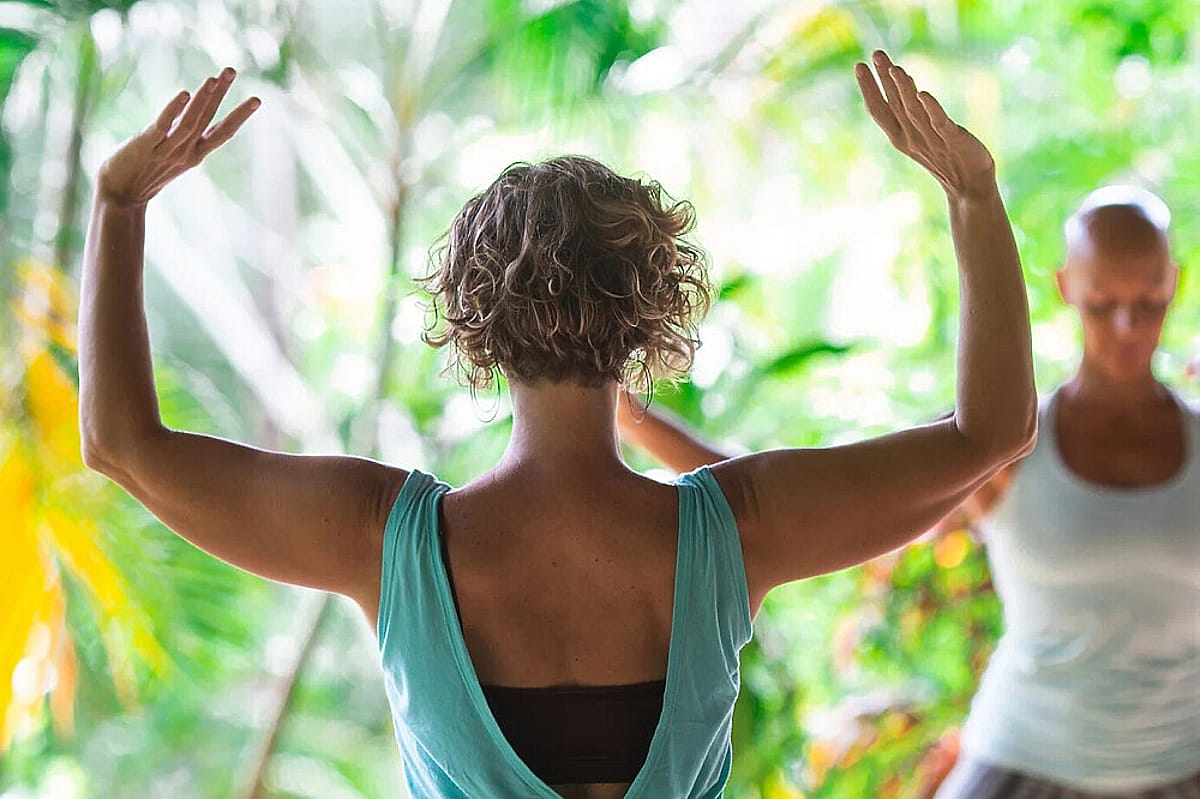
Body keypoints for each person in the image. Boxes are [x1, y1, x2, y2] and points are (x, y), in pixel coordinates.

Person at [78, 51, 1035, 799]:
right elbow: (992, 432)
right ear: (651, 320)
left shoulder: (382, 539)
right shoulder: (738, 528)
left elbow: (121, 445)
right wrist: (973, 197)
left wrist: (120, 205)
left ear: (473, 324)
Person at [622, 187, 1200, 799]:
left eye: (1149, 300)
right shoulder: (1006, 444)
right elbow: (772, 499)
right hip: (1024, 762)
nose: (1128, 325)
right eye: (1104, 302)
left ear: (1175, 282)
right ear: (1065, 286)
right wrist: (622, 411)